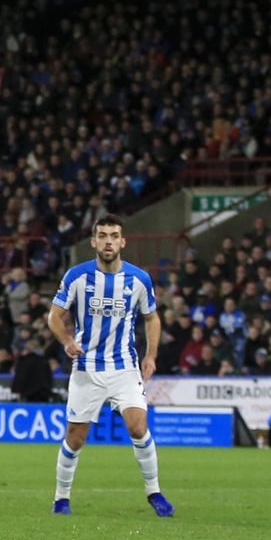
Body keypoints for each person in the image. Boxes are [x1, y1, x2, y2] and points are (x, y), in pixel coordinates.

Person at [45, 214, 172, 517]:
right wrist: (66, 340)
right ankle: (61, 498)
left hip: (124, 367)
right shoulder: (77, 276)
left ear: (123, 242)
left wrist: (151, 354)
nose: (108, 241)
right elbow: (53, 317)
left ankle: (154, 492)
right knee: (75, 438)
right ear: (93, 242)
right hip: (87, 367)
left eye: (114, 235)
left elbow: (152, 317)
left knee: (138, 427)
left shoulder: (139, 279)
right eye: (102, 235)